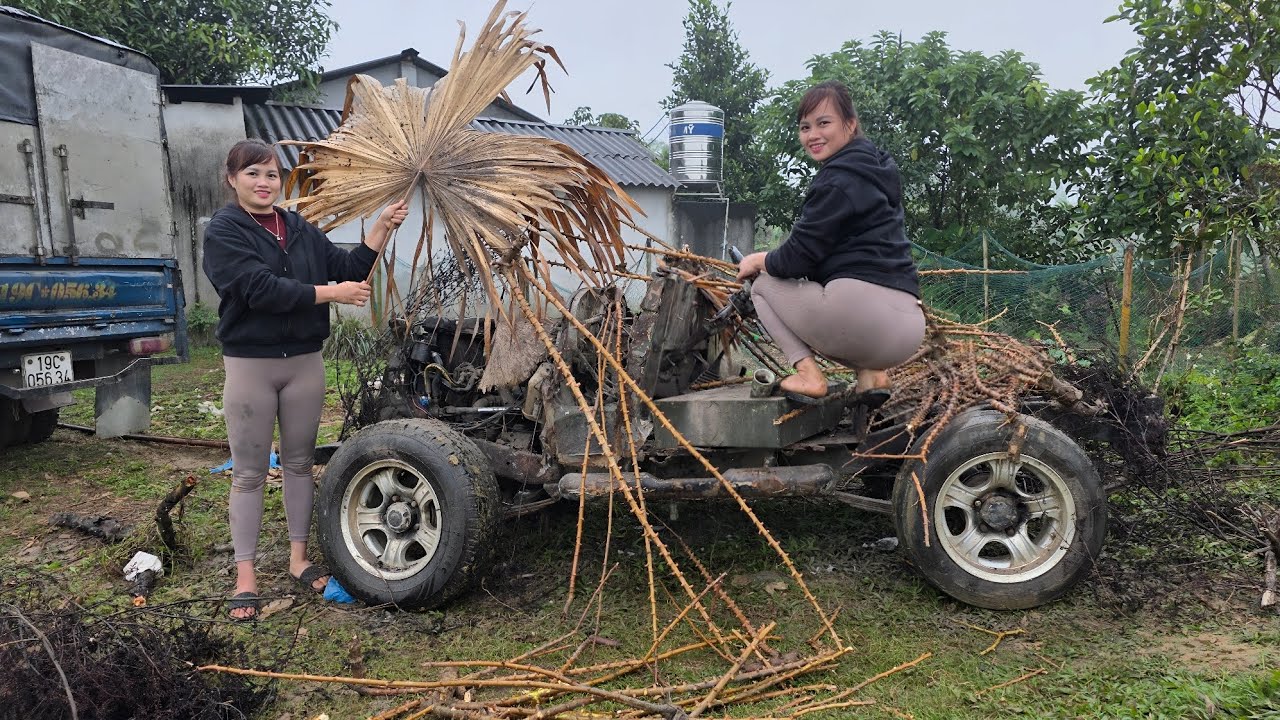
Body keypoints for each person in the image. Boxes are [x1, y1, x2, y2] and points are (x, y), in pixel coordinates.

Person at [203, 139, 409, 621]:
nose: (263, 183)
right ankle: (245, 575)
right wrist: (330, 293)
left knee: (298, 464)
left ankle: (299, 560)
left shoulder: (297, 228)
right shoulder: (225, 231)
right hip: (251, 363)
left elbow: (348, 268)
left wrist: (378, 229)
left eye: (272, 175)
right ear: (232, 179)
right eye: (252, 173)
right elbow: (257, 290)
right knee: (250, 472)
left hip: (303, 362)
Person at [736, 81, 924, 404]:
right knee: (838, 314)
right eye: (805, 127)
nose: (813, 135)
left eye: (824, 123)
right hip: (908, 327)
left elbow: (797, 258)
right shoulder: (876, 170)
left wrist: (756, 261)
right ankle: (872, 375)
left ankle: (809, 377)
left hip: (864, 313)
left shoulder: (837, 179)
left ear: (850, 125)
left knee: (762, 288)